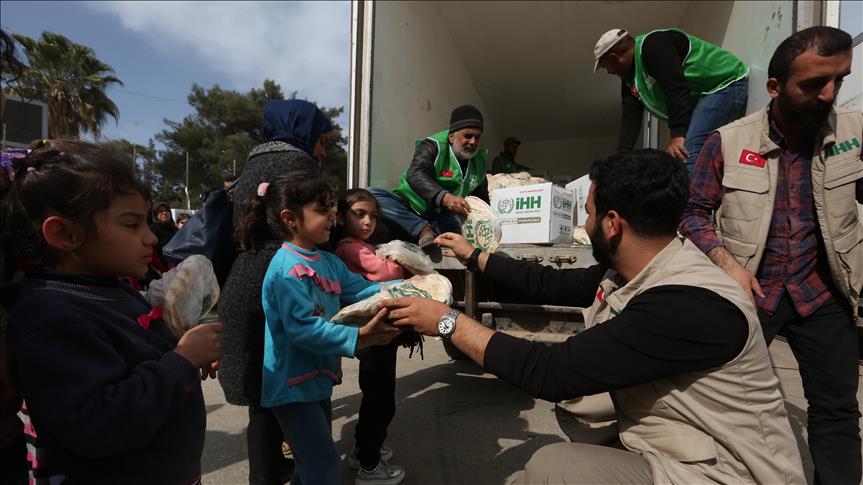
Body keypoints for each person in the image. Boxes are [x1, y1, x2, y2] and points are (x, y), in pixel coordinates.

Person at [382, 149, 805, 484]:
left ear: (613, 223)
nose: (584, 220)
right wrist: (474, 256)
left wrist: (446, 321)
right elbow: (547, 283)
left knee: (553, 466)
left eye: (587, 211)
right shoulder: (642, 265)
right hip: (691, 442)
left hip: (728, 473)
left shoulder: (688, 304)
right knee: (587, 411)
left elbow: (550, 371)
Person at [681, 26, 861, 485]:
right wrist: (728, 266)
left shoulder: (855, 133)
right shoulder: (727, 142)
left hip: (823, 294)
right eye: (814, 83)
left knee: (838, 411)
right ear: (775, 86)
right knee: (726, 405)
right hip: (751, 294)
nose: (829, 94)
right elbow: (693, 214)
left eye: (840, 79)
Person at [1, 139, 222, 485]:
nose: (151, 238)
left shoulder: (110, 287)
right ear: (65, 233)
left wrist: (181, 348)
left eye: (148, 223)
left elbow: (139, 351)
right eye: (132, 225)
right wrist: (180, 362)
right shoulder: (49, 317)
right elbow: (98, 424)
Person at [254, 172, 402, 485]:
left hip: (316, 382)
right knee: (324, 471)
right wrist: (360, 336)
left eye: (332, 209)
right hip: (291, 388)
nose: (332, 216)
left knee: (312, 467)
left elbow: (362, 289)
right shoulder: (285, 269)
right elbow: (303, 331)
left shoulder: (328, 261)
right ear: (290, 218)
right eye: (322, 210)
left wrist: (411, 288)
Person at [219, 98, 332, 485]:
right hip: (283, 282)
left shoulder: (252, 163)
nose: (322, 150)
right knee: (288, 391)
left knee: (261, 398)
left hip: (244, 278)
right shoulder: (299, 165)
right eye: (322, 141)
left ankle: (267, 473)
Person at [218, 185, 296, 485]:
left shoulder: (253, 249)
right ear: (289, 219)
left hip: (250, 349)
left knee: (263, 415)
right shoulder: (279, 257)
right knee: (265, 416)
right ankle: (265, 477)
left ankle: (272, 470)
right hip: (258, 353)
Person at [594, 28, 749, 175]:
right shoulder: (630, 79)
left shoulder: (653, 46)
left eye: (605, 65)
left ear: (614, 57)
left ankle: (693, 203)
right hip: (702, 99)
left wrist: (677, 134)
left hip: (725, 84)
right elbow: (630, 118)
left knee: (686, 152)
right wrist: (620, 158)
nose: (609, 72)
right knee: (678, 160)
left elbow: (676, 88)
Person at [332, 189, 407, 485]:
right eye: (359, 214)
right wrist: (404, 266)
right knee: (381, 399)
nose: (368, 222)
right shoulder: (350, 248)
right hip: (372, 333)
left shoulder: (359, 246)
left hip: (374, 334)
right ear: (340, 217)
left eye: (373, 216)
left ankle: (363, 449)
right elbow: (386, 271)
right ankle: (370, 466)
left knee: (376, 394)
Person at [370, 105, 490, 250]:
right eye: (468, 136)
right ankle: (421, 230)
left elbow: (482, 200)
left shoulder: (480, 161)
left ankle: (429, 238)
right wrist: (446, 198)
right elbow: (415, 174)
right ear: (451, 137)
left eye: (477, 137)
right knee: (372, 196)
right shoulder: (434, 146)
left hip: (440, 217)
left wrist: (487, 222)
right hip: (409, 206)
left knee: (459, 240)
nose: (473, 142)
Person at [232, 99, 332, 228]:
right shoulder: (299, 162)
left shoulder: (255, 159)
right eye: (322, 142)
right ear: (304, 132)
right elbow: (314, 226)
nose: (324, 152)